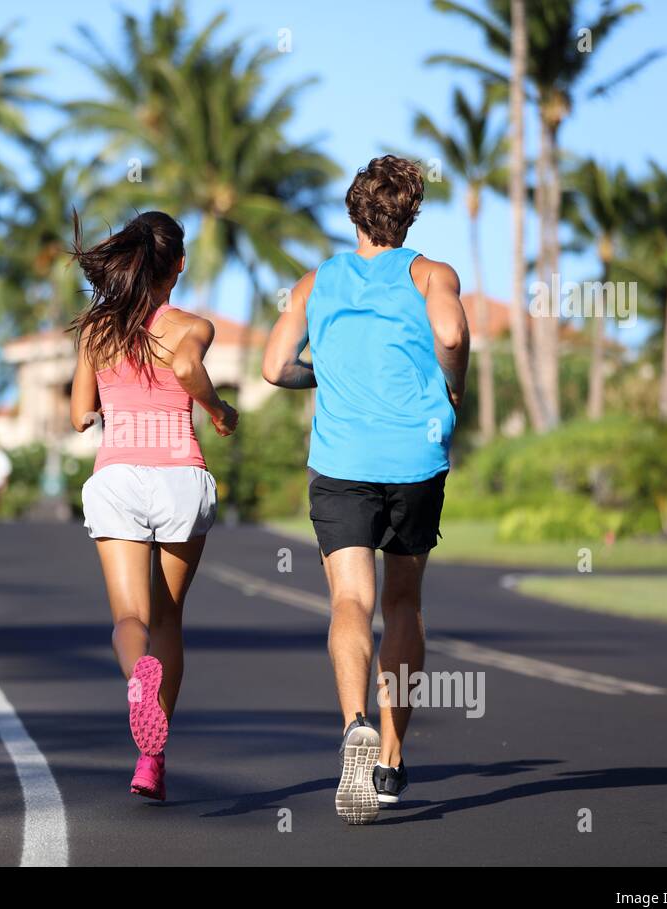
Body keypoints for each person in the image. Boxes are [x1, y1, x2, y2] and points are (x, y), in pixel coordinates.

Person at [262, 155, 469, 824]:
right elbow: (452, 332)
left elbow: (273, 368)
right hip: (414, 458)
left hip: (341, 459)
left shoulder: (313, 281)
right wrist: (451, 387)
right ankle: (392, 759)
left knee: (351, 599)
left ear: (353, 212)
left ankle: (355, 722)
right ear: (410, 214)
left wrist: (324, 376)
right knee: (404, 605)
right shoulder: (432, 273)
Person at [69, 210, 237, 802]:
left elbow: (78, 415)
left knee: (130, 621)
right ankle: (151, 761)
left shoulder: (97, 330)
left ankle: (137, 686)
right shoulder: (192, 325)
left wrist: (107, 414)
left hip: (117, 478)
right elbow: (188, 368)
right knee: (169, 620)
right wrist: (217, 411)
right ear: (179, 265)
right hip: (180, 479)